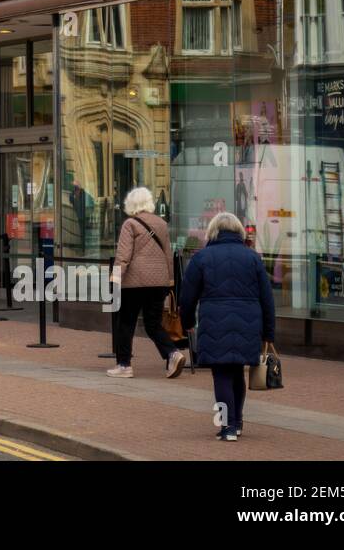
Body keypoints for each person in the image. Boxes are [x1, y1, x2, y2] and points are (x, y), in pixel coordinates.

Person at [180, 211, 276, 442]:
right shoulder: (253, 258)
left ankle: (227, 427)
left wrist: (187, 323)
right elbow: (267, 298)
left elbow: (187, 297)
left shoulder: (202, 258)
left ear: (213, 231)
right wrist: (269, 333)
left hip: (215, 323)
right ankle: (237, 422)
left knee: (221, 374)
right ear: (239, 232)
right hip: (248, 323)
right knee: (237, 373)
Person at [107, 186, 187, 380]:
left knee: (125, 323)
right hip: (158, 282)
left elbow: (123, 255)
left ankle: (124, 365)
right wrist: (169, 280)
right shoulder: (161, 223)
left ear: (131, 204)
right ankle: (172, 353)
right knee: (153, 324)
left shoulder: (130, 224)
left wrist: (115, 278)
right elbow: (168, 254)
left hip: (134, 282)